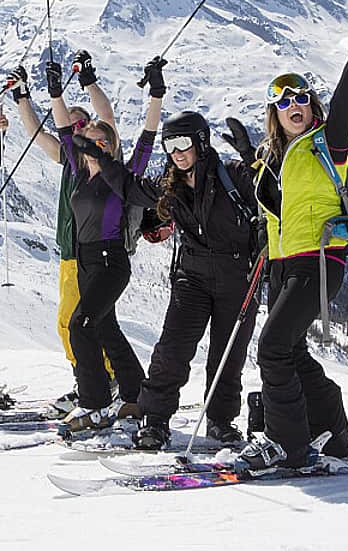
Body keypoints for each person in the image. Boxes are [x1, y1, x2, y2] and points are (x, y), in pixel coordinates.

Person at [233, 0, 348, 473]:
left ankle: (288, 444)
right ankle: (333, 431)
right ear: (273, 114)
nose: (294, 105)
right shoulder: (271, 158)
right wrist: (249, 161)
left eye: (301, 97)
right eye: (283, 101)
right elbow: (275, 210)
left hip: (319, 261)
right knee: (292, 350)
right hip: (282, 266)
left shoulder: (328, 142)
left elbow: (347, 95)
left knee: (273, 348)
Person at [87, 110, 262, 450]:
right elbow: (128, 187)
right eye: (170, 145)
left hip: (239, 276)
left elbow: (271, 191)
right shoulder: (169, 183)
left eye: (183, 143)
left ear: (200, 141)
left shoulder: (233, 175)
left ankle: (221, 421)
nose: (176, 152)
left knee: (228, 354)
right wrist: (99, 157)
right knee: (172, 350)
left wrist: (252, 158)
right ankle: (154, 419)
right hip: (192, 277)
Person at [48, 56, 165, 433]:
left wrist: (156, 95)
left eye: (103, 141)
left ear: (111, 147)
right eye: (90, 142)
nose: (95, 146)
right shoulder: (78, 170)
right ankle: (134, 394)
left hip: (110, 261)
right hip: (84, 262)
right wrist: (55, 93)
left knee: (81, 326)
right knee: (104, 329)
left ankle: (95, 404)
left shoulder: (122, 176)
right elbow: (64, 129)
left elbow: (147, 138)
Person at [10, 49, 117, 411]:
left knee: (77, 322)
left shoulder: (101, 155)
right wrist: (24, 98)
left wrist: (87, 82)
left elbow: (106, 117)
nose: (72, 130)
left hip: (96, 253)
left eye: (78, 125)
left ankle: (99, 382)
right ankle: (93, 379)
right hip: (71, 253)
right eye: (68, 127)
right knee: (78, 323)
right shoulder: (69, 158)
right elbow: (37, 132)